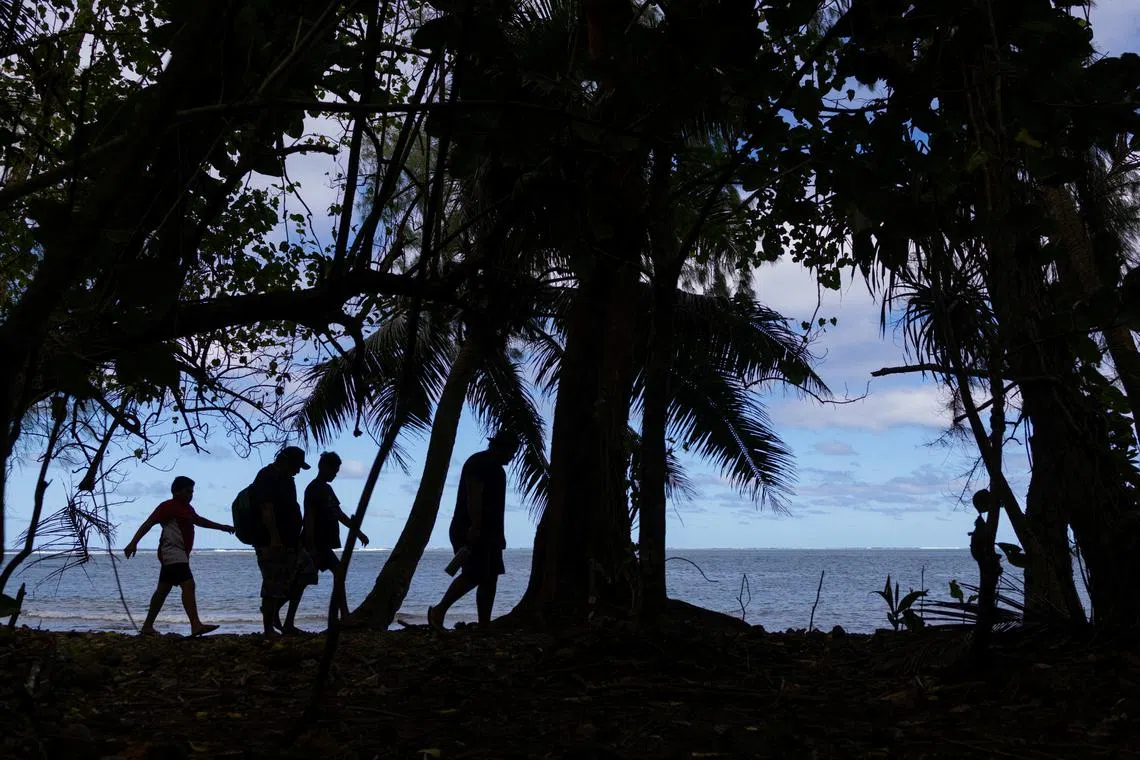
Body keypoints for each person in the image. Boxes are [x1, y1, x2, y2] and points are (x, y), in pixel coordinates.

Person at [428, 430, 520, 630]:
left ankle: (484, 624)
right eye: (511, 451)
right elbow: (474, 495)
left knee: (491, 576)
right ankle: (439, 610)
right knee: (475, 574)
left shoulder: (496, 469)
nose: (512, 456)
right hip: (470, 528)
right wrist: (475, 526)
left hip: (490, 532)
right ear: (501, 448)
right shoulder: (479, 463)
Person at [123, 476, 235, 636]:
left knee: (162, 590)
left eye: (192, 492)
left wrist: (222, 527)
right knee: (188, 585)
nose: (190, 495)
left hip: (179, 554)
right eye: (187, 491)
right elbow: (148, 524)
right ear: (176, 492)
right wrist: (133, 543)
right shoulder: (167, 507)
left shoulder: (188, 509)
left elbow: (200, 521)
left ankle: (147, 626)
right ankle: (195, 624)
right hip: (171, 552)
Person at [250, 446, 318, 637]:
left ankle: (287, 622)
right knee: (272, 582)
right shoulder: (267, 476)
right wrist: (274, 539)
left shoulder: (288, 480)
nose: (298, 471)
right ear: (287, 462)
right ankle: (268, 628)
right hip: (270, 541)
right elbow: (266, 509)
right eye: (297, 466)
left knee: (306, 573)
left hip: (291, 541)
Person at [303, 451, 370, 621]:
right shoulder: (314, 488)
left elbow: (339, 513)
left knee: (304, 580)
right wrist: (310, 545)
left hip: (323, 543)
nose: (335, 474)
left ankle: (344, 614)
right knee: (303, 580)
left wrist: (358, 532)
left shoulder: (327, 489)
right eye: (334, 470)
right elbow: (308, 517)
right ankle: (344, 614)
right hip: (317, 543)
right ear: (324, 467)